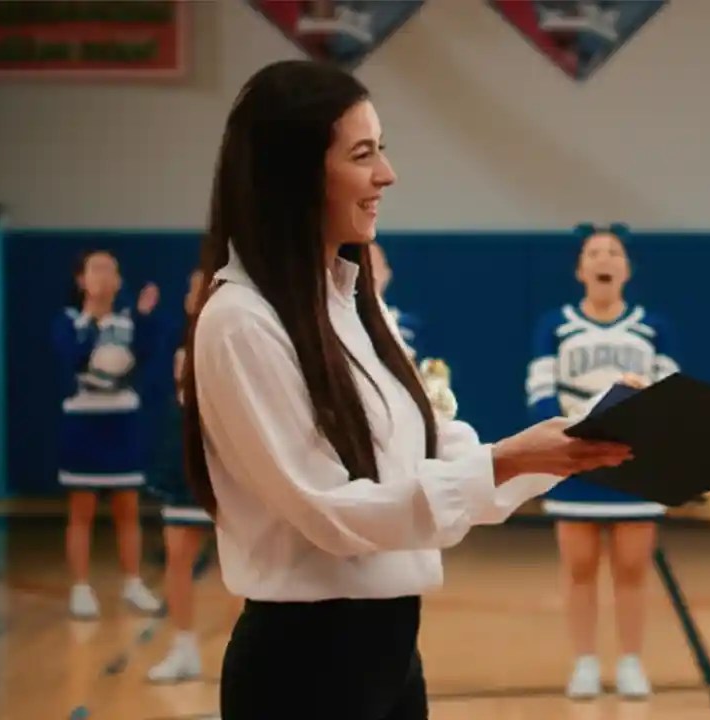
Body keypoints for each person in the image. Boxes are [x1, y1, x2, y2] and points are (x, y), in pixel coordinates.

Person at [181, 59, 632, 720]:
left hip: (391, 654)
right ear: (296, 173)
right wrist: (511, 459)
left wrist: (572, 440)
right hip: (301, 670)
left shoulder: (355, 302)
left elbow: (434, 456)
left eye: (382, 150)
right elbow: (332, 513)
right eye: (363, 154)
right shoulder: (240, 321)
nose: (386, 175)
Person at [526, 223, 679, 699]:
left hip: (635, 462)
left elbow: (672, 397)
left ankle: (632, 661)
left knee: (634, 568)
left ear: (627, 269)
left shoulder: (654, 326)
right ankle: (585, 662)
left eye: (613, 252)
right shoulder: (555, 325)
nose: (604, 259)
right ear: (580, 269)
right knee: (579, 567)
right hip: (577, 458)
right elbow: (539, 394)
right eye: (594, 252)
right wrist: (569, 438)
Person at [52, 249, 162, 620]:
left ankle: (133, 583)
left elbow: (146, 352)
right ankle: (81, 588)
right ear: (81, 280)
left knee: (128, 509)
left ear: (118, 281)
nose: (104, 276)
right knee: (81, 511)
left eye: (111, 269)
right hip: (82, 423)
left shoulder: (130, 320)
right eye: (95, 269)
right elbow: (72, 356)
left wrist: (145, 318)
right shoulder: (68, 320)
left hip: (122, 422)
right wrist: (94, 321)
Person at [146, 267, 230, 683]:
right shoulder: (176, 339)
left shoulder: (236, 337)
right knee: (178, 556)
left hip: (230, 462)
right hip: (184, 458)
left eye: (206, 288)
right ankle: (183, 648)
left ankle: (248, 657)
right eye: (191, 287)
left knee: (243, 565)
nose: (195, 294)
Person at [367, 241, 423, 358]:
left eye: (375, 265)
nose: (369, 274)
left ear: (387, 274)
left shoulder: (407, 326)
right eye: (364, 265)